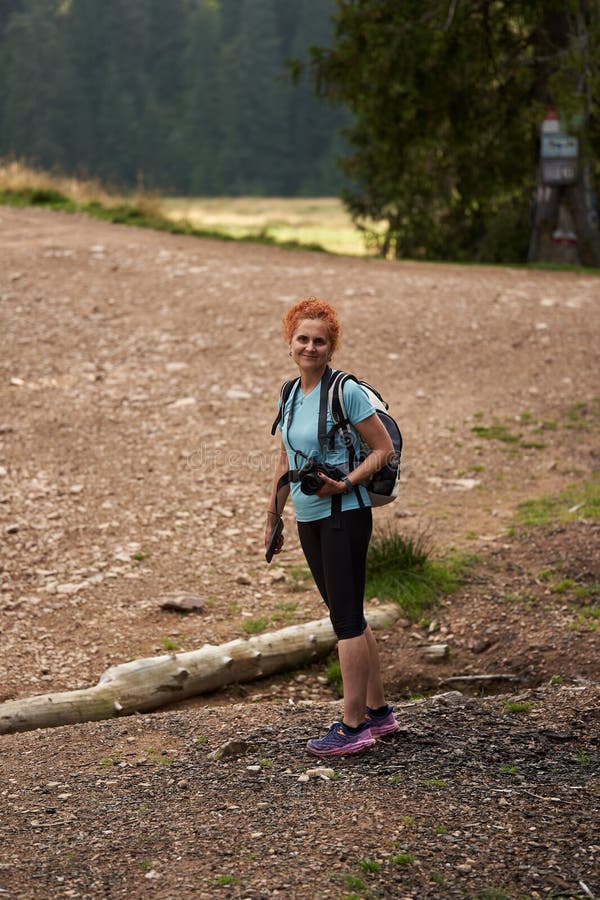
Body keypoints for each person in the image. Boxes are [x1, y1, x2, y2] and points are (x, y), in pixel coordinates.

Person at [265, 297, 399, 757]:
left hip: (345, 514)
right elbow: (287, 458)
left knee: (344, 620)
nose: (310, 347)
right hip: (308, 516)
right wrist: (274, 515)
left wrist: (344, 483)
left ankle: (352, 725)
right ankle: (380, 714)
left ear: (331, 346)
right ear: (290, 342)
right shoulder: (289, 393)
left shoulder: (346, 391)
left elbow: (383, 449)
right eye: (302, 339)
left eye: (320, 341)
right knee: (351, 615)